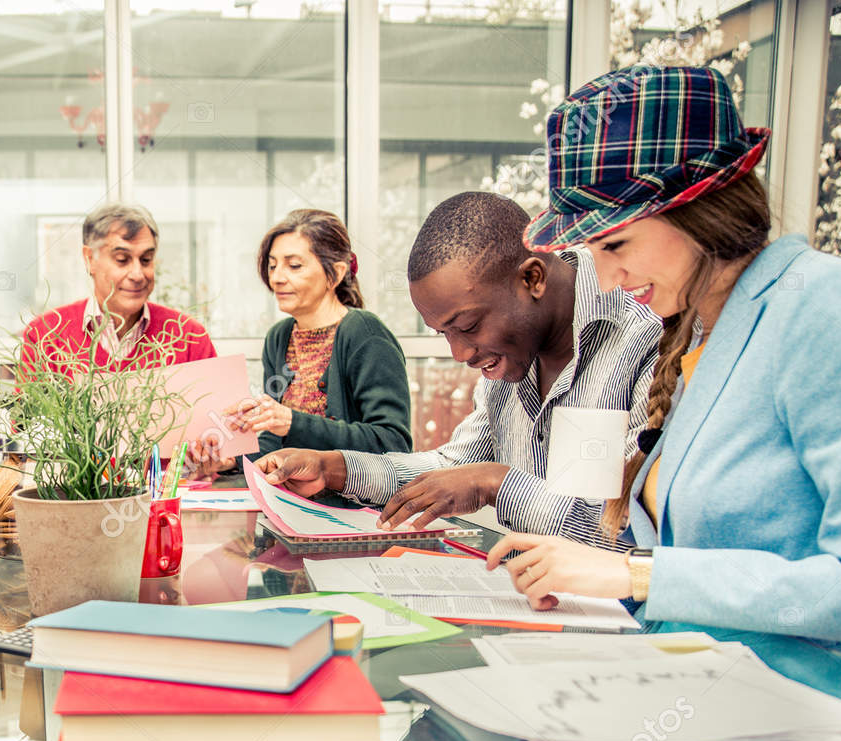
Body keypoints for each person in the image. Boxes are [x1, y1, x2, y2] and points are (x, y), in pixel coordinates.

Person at [485, 66, 841, 662]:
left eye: (616, 245)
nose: (606, 279)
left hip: (804, 718)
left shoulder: (825, 305)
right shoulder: (699, 329)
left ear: (701, 212)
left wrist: (638, 577)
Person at [255, 193, 659, 546]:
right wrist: (334, 468)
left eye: (467, 327)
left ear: (532, 278)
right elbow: (451, 469)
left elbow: (627, 533)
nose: (460, 353)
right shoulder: (510, 358)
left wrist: (497, 484)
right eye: (444, 333)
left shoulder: (645, 339)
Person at [228, 209, 411, 461]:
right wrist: (231, 460)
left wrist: (292, 421)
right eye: (272, 265)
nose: (277, 278)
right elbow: (273, 439)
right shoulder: (279, 338)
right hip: (291, 498)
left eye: (294, 266)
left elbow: (392, 442)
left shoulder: (365, 333)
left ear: (335, 273)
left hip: (351, 499)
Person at [18, 203, 216, 377]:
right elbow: (25, 419)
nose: (138, 274)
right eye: (122, 260)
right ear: (89, 259)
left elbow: (219, 414)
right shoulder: (46, 336)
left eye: (146, 260)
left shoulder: (189, 337)